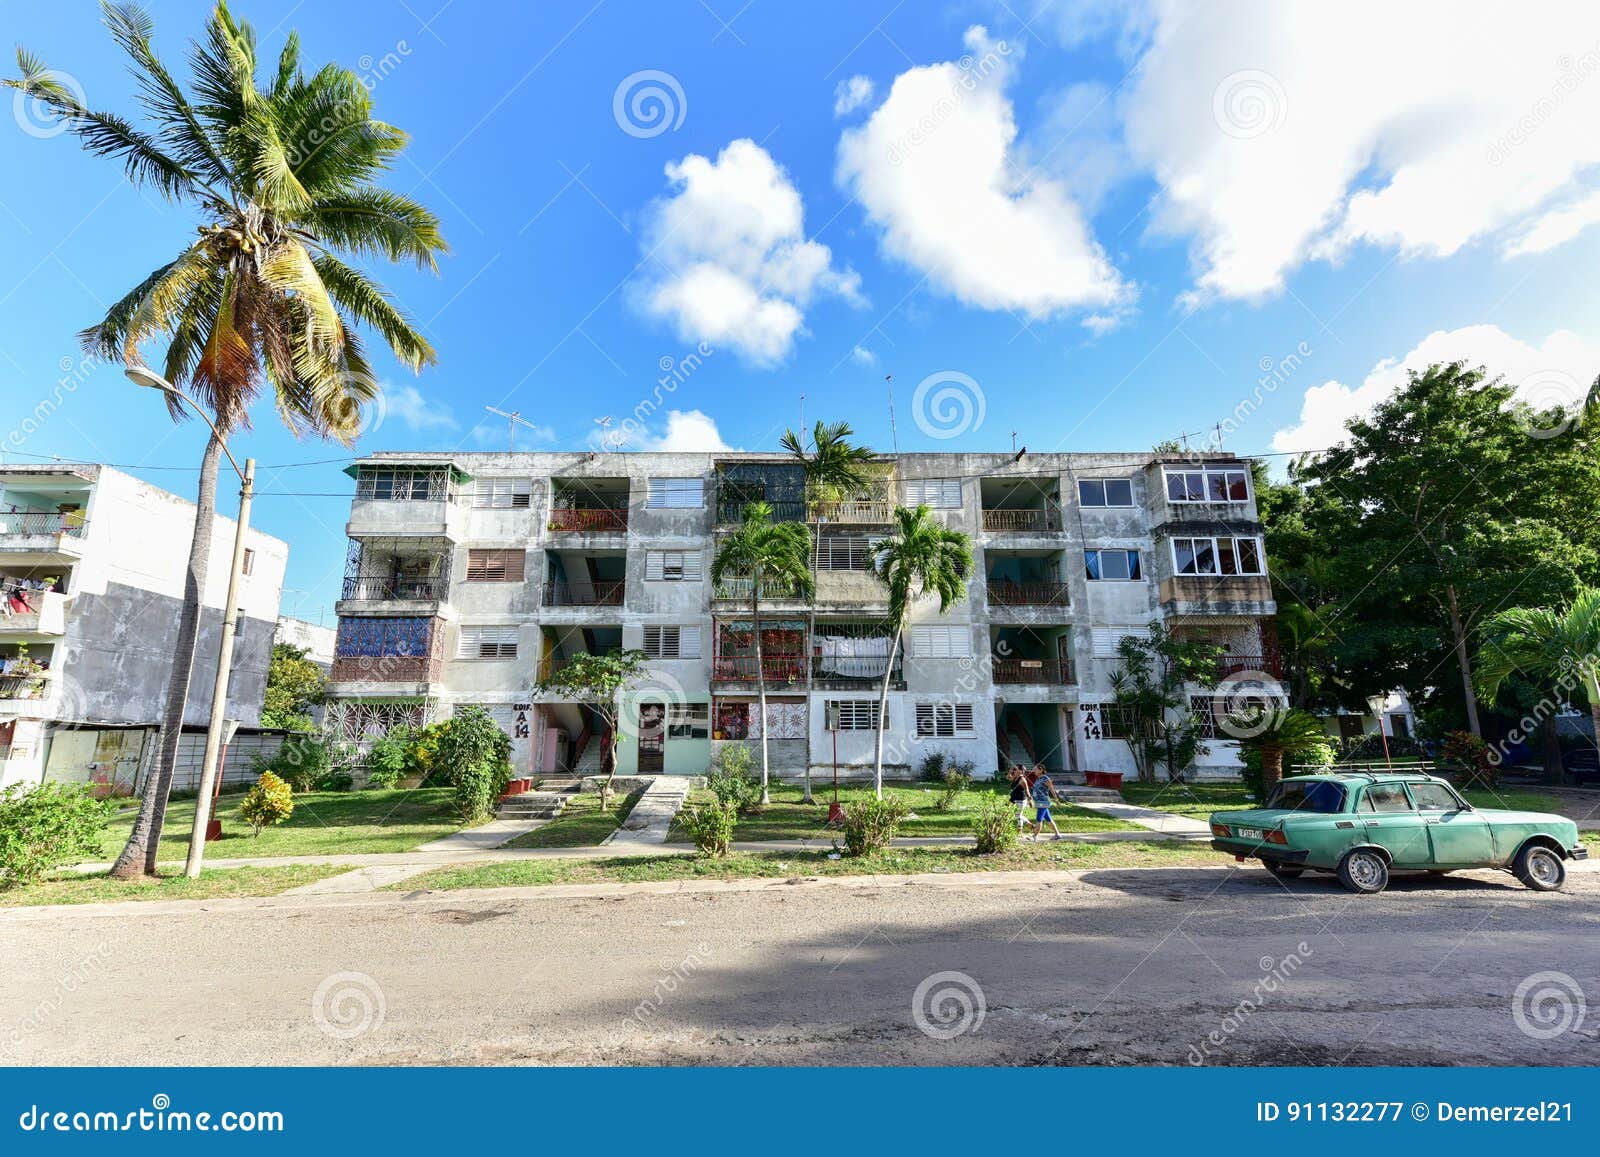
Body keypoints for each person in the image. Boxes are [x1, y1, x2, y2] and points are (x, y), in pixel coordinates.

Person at [1030, 767, 1062, 841]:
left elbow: (1052, 789)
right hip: (1039, 802)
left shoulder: (1046, 778)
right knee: (1048, 819)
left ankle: (1034, 836)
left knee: (1039, 819)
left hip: (1044, 802)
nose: (1034, 771)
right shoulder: (1038, 779)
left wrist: (1056, 800)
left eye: (1036, 769)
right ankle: (1057, 834)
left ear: (1041, 770)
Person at [1008, 767, 1032, 831]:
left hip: (1020, 799)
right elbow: (1009, 778)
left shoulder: (1022, 780)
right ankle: (1030, 825)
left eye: (1016, 769)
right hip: (1012, 799)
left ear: (1021, 771)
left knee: (1018, 815)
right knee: (1007, 812)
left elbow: (1027, 790)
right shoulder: (1016, 777)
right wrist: (1010, 771)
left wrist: (1030, 801)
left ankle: (1020, 831)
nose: (1014, 770)